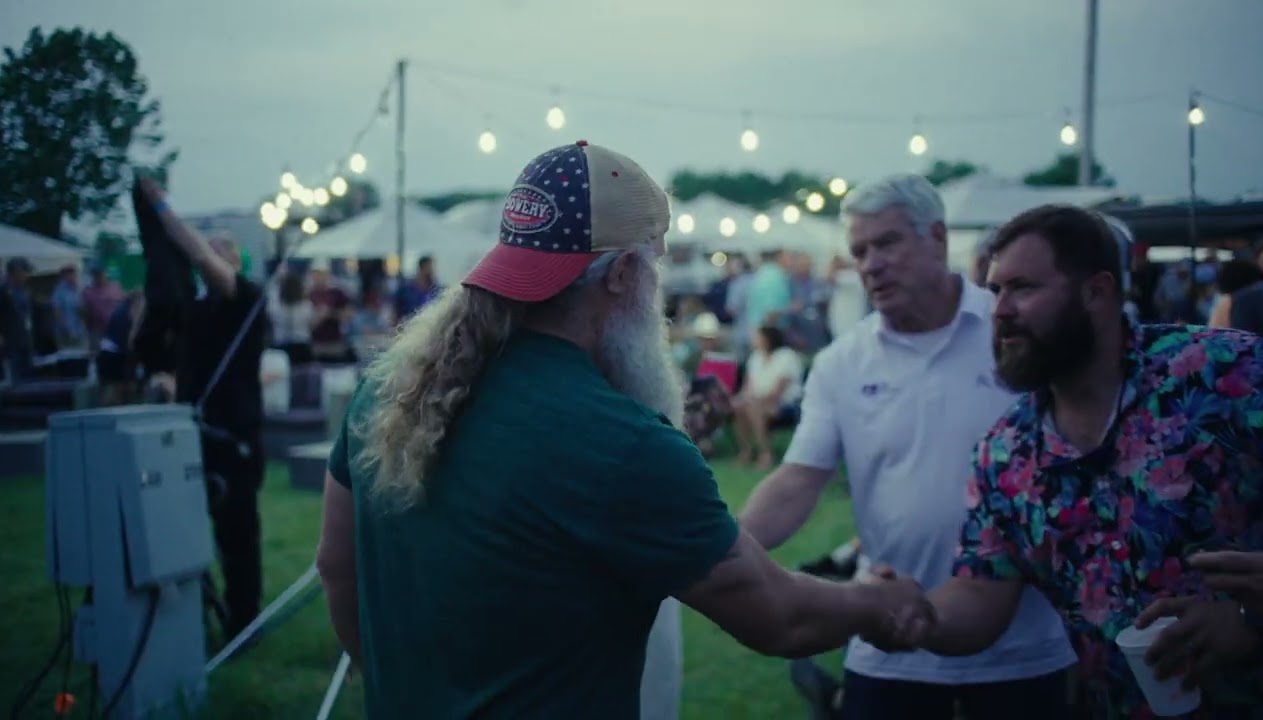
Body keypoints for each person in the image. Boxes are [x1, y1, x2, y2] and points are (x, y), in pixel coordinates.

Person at [314, 141, 935, 719]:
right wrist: (876, 602)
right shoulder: (625, 442)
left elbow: (337, 567)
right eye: (652, 267)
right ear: (619, 277)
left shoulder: (387, 392)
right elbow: (780, 619)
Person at [874, 204, 1263, 718]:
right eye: (995, 290)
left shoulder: (1222, 375)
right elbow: (981, 593)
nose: (998, 310)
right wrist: (917, 614)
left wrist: (1248, 615)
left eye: (1022, 287)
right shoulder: (1008, 453)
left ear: (1097, 293)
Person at [739, 175, 1075, 720]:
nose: (870, 263)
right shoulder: (842, 362)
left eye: (887, 242)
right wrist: (725, 548)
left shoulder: (1011, 332)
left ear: (937, 238)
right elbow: (798, 480)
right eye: (859, 250)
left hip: (1024, 647)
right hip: (888, 642)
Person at [139, 177, 268, 642]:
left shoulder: (248, 300)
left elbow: (201, 260)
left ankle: (244, 622)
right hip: (190, 434)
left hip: (232, 439)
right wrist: (165, 381)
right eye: (210, 249)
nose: (210, 257)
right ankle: (194, 617)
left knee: (237, 538)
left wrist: (163, 212)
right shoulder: (194, 313)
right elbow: (171, 356)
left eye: (221, 252)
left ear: (235, 262)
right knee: (185, 530)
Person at [732, 325, 804, 469]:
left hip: (784, 403)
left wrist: (757, 401)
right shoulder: (755, 357)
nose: (754, 341)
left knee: (753, 408)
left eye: (757, 337)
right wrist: (742, 398)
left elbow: (779, 389)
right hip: (756, 402)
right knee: (739, 406)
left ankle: (765, 453)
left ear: (768, 339)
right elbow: (748, 385)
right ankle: (746, 451)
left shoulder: (787, 356)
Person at [0, 257, 36, 382]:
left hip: (25, 338)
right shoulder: (4, 290)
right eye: (24, 271)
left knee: (28, 374)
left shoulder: (24, 290)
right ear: (15, 272)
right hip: (10, 341)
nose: (26, 275)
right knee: (15, 378)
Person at [393, 256, 443, 323]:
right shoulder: (406, 290)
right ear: (422, 268)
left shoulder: (437, 290)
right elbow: (396, 312)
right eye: (430, 267)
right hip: (408, 327)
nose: (433, 270)